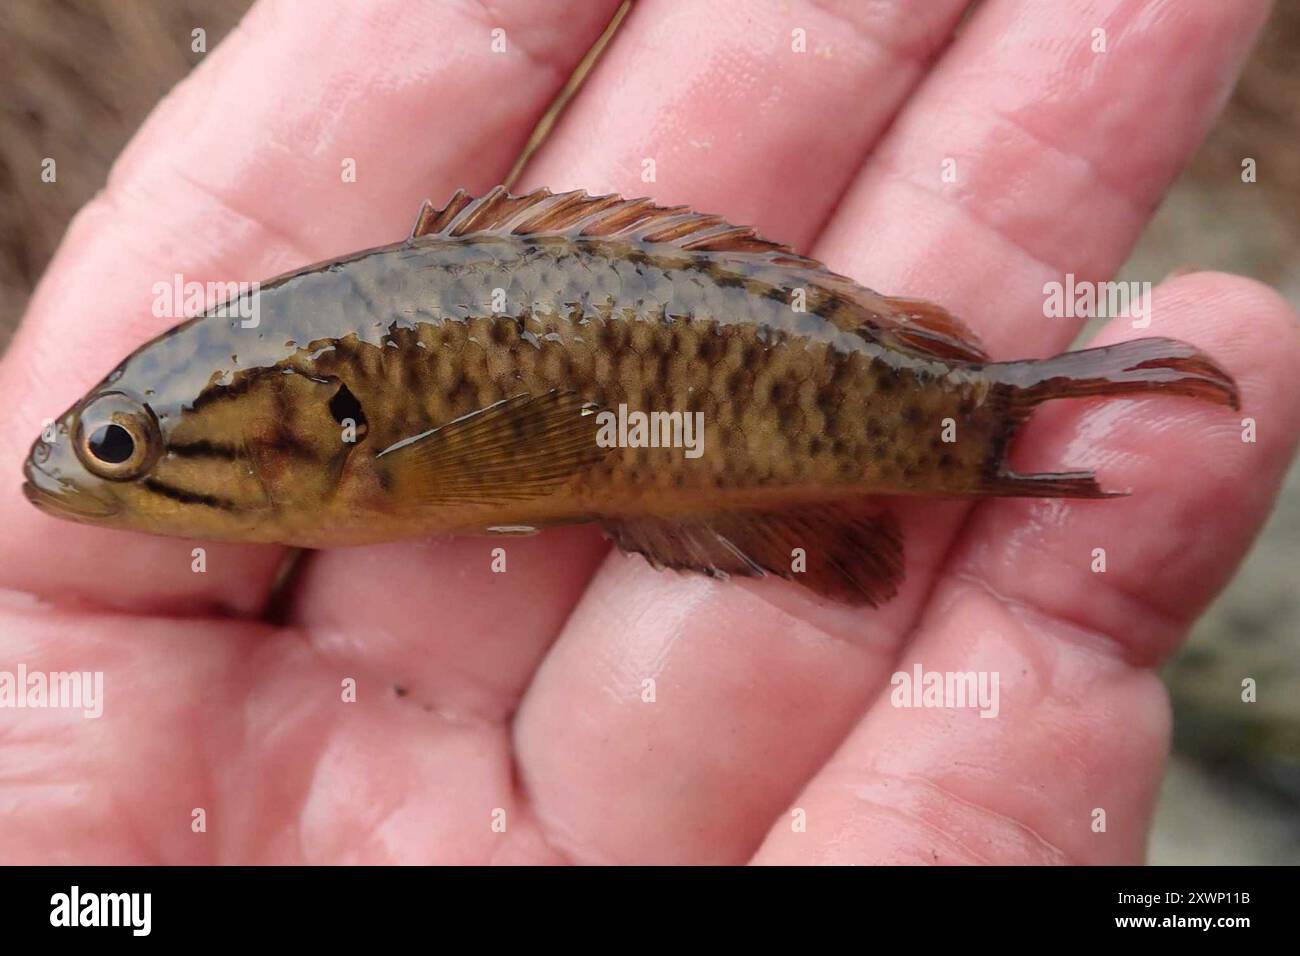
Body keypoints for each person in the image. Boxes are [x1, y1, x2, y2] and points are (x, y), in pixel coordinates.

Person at [0, 0, 1295, 865]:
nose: (84, 469)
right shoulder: (332, 442)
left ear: (299, 427)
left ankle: (994, 428)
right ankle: (1002, 430)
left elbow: (557, 455)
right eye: (119, 443)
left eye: (121, 444)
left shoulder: (352, 437)